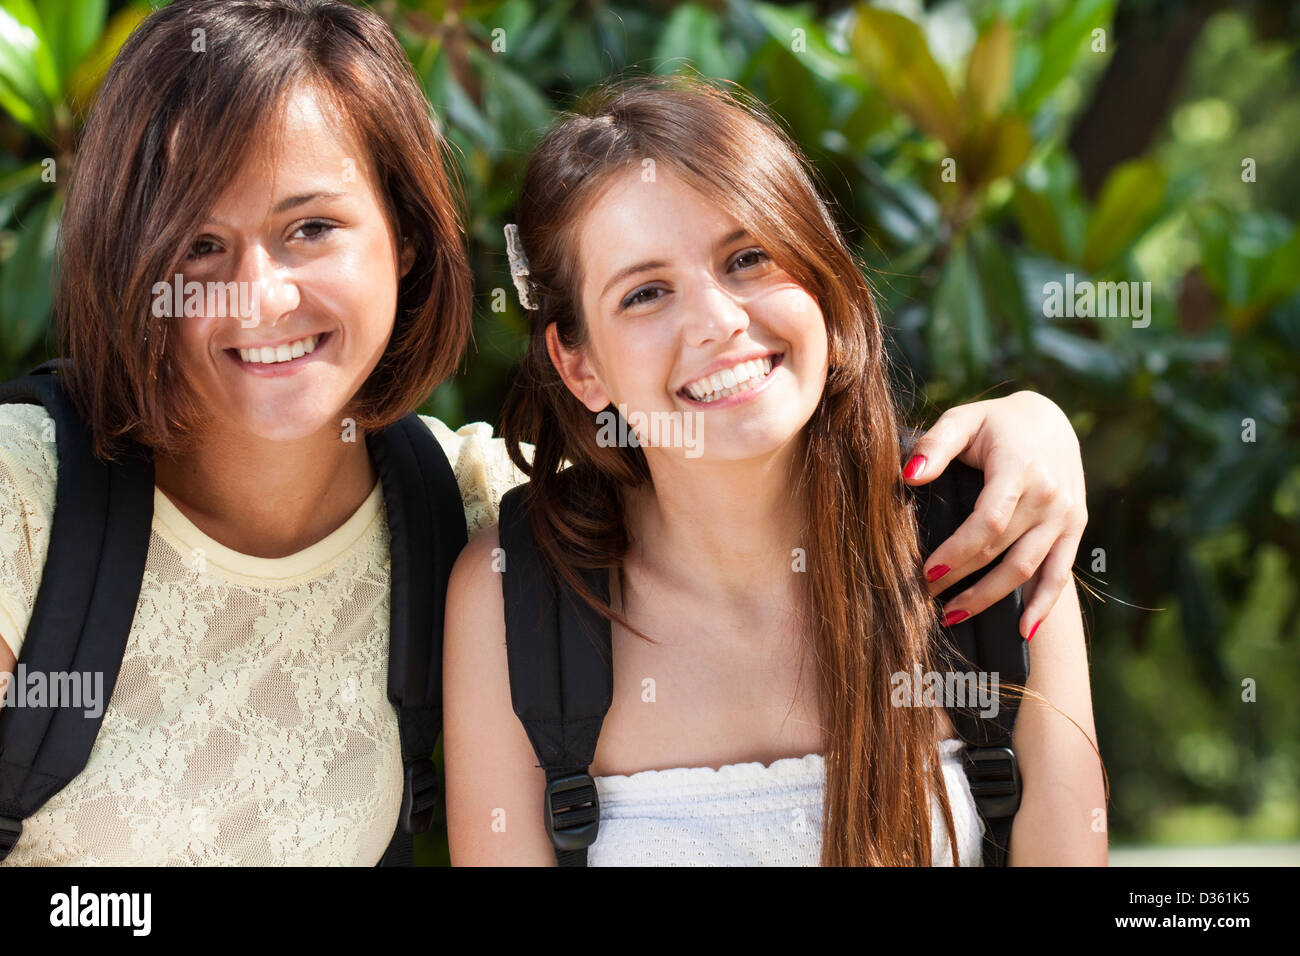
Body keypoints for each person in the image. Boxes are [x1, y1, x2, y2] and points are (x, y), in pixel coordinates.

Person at [1, 1, 1087, 865]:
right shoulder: (26, 506)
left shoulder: (465, 508)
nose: (261, 295)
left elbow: (692, 443)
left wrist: (1033, 426)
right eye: (197, 245)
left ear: (409, 244)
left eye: (312, 226)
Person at [443, 76, 1106, 866]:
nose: (719, 322)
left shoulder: (985, 532)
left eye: (748, 257)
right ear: (580, 366)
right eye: (647, 292)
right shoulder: (515, 592)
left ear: (820, 277)